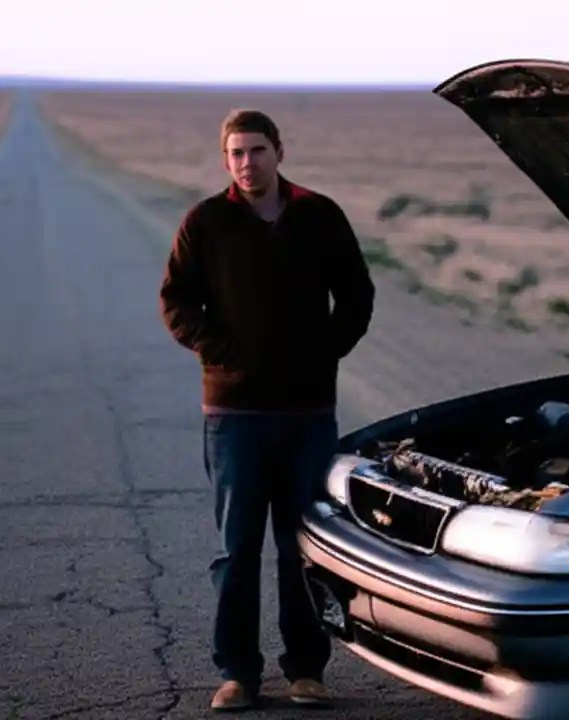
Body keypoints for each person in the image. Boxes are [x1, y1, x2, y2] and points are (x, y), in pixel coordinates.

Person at [158, 108, 375, 712]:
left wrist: (325, 352)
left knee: (301, 544)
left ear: (279, 152)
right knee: (237, 548)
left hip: (307, 412)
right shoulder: (207, 222)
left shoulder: (319, 215)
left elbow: (357, 293)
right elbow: (176, 299)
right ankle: (238, 674)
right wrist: (220, 351)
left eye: (256, 150)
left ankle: (307, 669)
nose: (246, 163)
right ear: (225, 160)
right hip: (234, 415)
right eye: (235, 153)